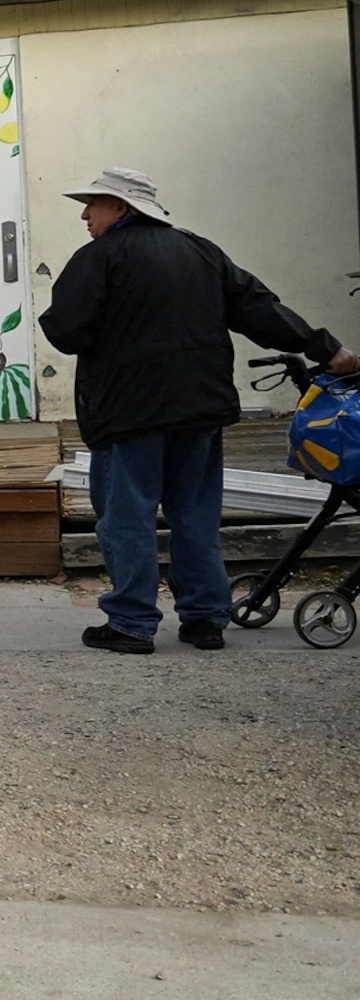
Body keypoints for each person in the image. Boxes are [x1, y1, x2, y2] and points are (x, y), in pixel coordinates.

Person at [39, 165, 357, 654]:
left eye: (93, 204)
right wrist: (327, 350)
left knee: (128, 517)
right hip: (199, 409)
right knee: (195, 514)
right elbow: (258, 308)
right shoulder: (201, 251)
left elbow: (65, 330)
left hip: (129, 412)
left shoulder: (98, 257)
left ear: (121, 208)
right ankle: (206, 619)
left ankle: (131, 623)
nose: (85, 214)